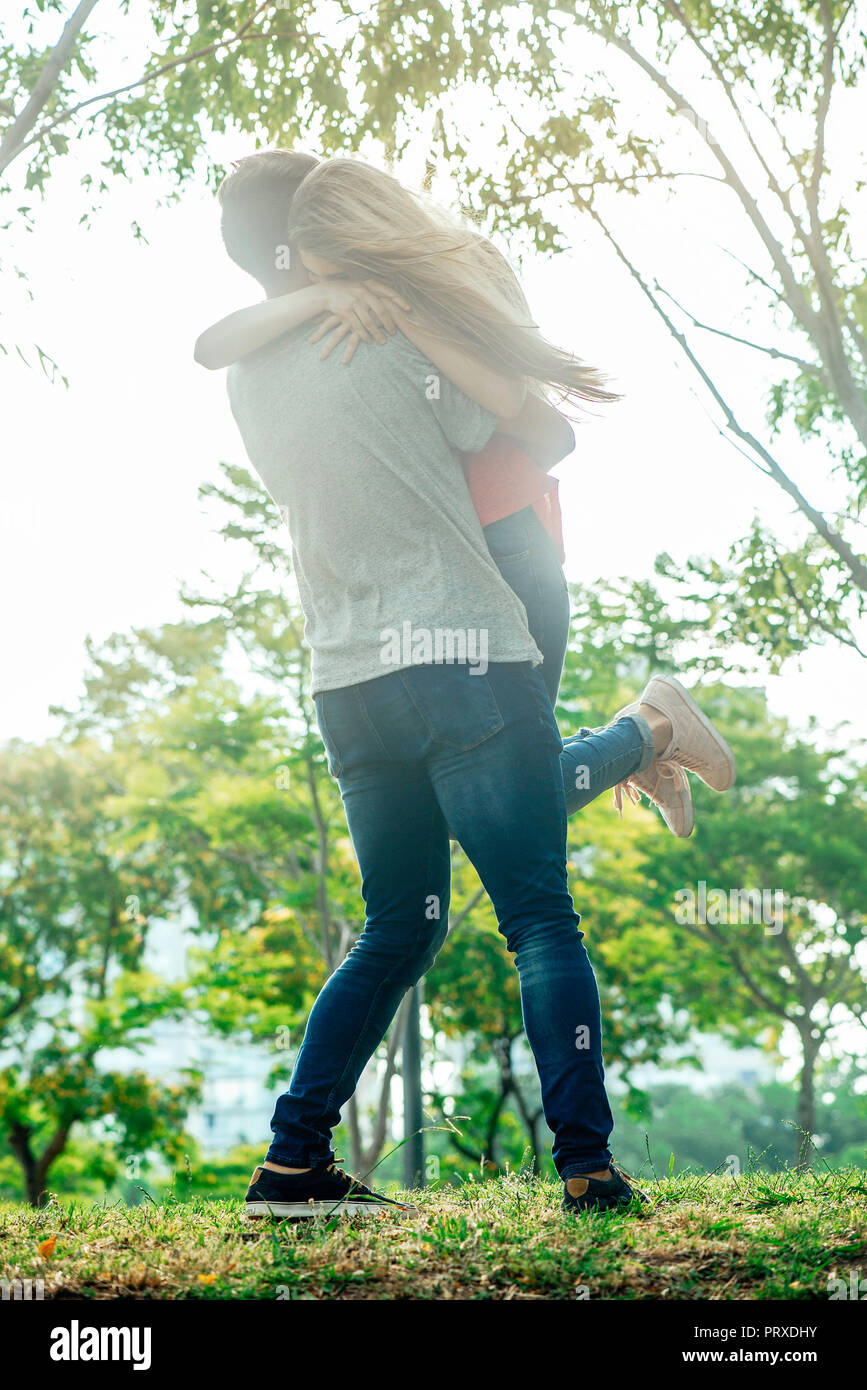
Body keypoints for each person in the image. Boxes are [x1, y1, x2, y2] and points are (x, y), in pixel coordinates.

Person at [203, 153, 736, 1219]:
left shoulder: (248, 375)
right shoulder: (388, 337)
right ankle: (585, 1164)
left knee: (399, 924)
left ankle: (292, 1163)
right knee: (539, 915)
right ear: (313, 248)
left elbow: (213, 341)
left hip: (346, 680)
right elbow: (541, 432)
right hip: (463, 656)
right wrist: (426, 324)